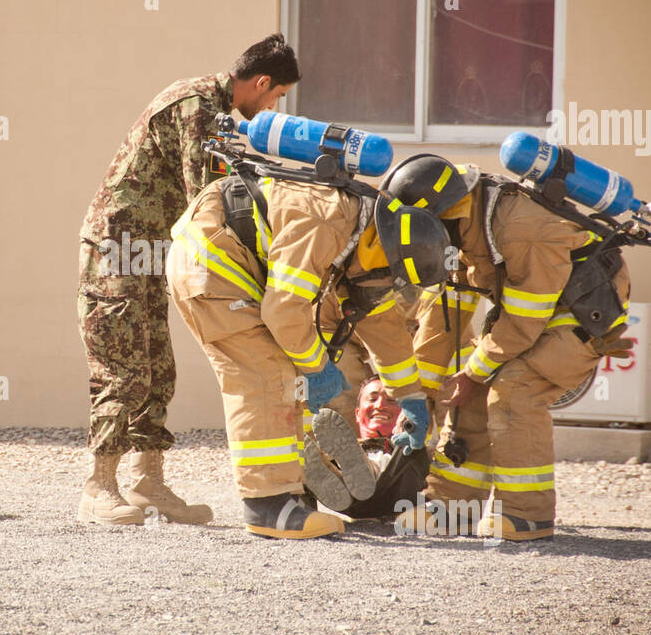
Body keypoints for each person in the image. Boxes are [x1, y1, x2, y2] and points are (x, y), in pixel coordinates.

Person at [76, 35, 300, 526]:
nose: (272, 107)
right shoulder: (197, 104)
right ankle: (99, 486)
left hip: (152, 250)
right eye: (276, 96)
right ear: (261, 83)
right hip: (118, 249)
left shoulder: (216, 111)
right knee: (123, 367)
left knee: (157, 366)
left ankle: (146, 482)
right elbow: (207, 196)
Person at [166, 170, 450, 539]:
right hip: (213, 264)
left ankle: (294, 493)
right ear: (389, 252)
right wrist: (317, 368)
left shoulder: (370, 239)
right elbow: (284, 311)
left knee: (288, 377)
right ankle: (267, 506)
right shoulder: (327, 223)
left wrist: (410, 395)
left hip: (236, 262)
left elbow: (382, 326)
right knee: (265, 376)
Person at [379, 155, 632, 540]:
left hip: (581, 309)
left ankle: (526, 514)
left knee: (514, 389)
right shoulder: (462, 225)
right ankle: (451, 507)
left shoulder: (521, 229)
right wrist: (419, 394)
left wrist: (474, 372)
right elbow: (446, 313)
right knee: (465, 392)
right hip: (526, 307)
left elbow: (527, 319)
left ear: (442, 214)